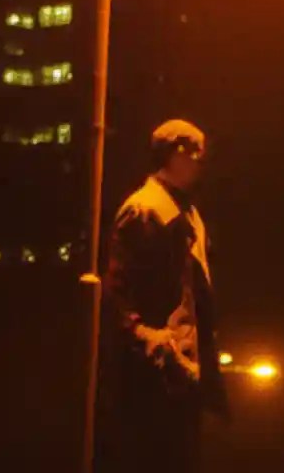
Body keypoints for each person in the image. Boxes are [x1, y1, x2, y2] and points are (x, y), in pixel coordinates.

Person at [95, 120, 228, 473]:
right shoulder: (144, 210)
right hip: (155, 374)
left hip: (182, 371)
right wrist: (144, 336)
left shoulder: (187, 215)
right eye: (192, 148)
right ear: (170, 153)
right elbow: (117, 291)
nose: (201, 158)